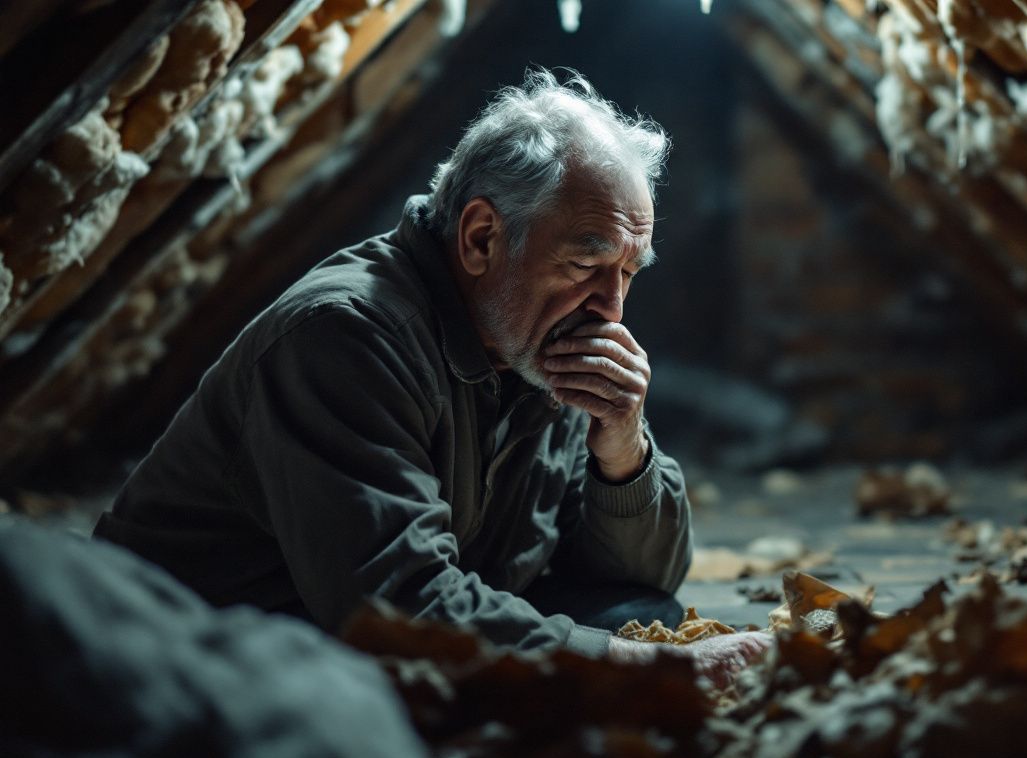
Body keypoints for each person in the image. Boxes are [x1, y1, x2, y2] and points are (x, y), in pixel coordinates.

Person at [94, 68, 769, 684]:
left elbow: (643, 576)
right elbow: (397, 608)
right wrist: (650, 667)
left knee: (638, 608)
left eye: (626, 273)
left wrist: (622, 447)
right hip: (197, 659)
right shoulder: (345, 335)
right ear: (481, 238)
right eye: (584, 265)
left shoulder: (536, 339)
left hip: (347, 633)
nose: (612, 308)